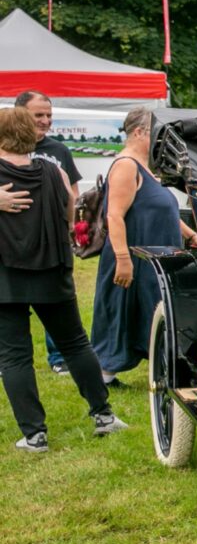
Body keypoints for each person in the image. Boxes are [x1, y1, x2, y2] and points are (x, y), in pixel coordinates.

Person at [0, 107, 127, 452]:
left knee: (14, 356)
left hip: (6, 275)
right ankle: (103, 415)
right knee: (74, 343)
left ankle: (34, 435)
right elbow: (71, 212)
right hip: (51, 267)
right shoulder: (53, 171)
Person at [91, 108, 197, 384]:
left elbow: (160, 209)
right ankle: (104, 375)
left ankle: (164, 368)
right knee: (122, 312)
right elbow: (114, 215)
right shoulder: (126, 165)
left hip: (155, 256)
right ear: (139, 132)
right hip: (134, 258)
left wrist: (189, 234)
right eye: (156, 132)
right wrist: (123, 259)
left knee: (154, 313)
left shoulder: (147, 167)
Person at [17, 91, 82, 374]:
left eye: (49, 115)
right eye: (38, 115)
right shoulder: (4, 148)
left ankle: (59, 358)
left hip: (53, 238)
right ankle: (11, 359)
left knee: (55, 299)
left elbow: (74, 192)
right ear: (20, 114)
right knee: (11, 300)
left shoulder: (58, 150)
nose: (45, 121)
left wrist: (73, 225)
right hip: (13, 237)